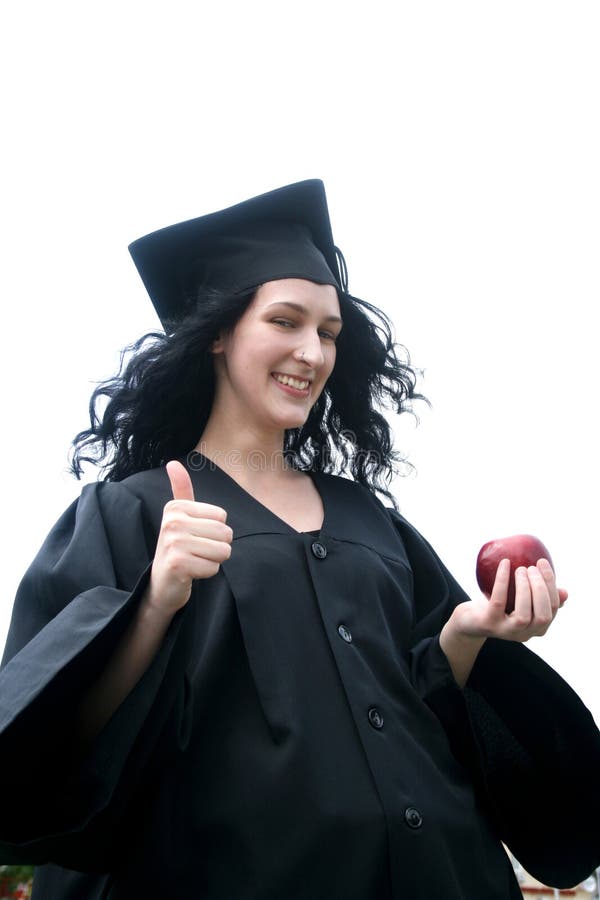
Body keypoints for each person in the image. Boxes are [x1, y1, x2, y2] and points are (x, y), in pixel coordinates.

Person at [0, 180, 598, 900]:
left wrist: (463, 637)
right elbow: (55, 746)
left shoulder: (372, 521)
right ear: (218, 332)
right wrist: (155, 603)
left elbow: (419, 709)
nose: (311, 352)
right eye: (285, 321)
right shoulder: (130, 515)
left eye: (329, 332)